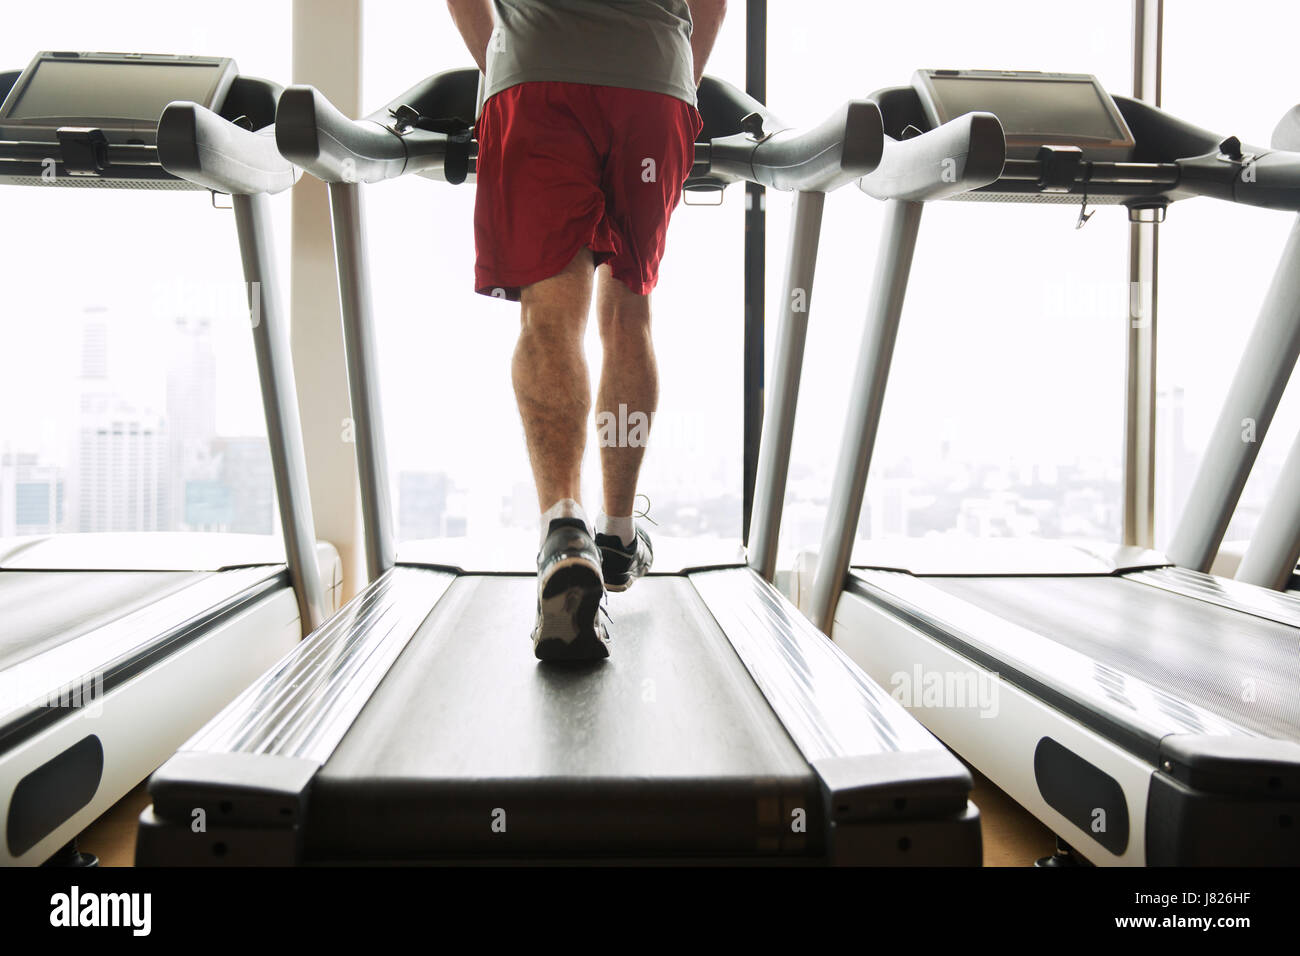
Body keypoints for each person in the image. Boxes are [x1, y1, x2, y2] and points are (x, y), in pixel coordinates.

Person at [447, 0, 727, 660]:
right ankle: (619, 536)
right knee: (628, 313)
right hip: (652, 79)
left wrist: (507, 66)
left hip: (537, 73)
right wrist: (676, 80)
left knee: (550, 314)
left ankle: (564, 534)